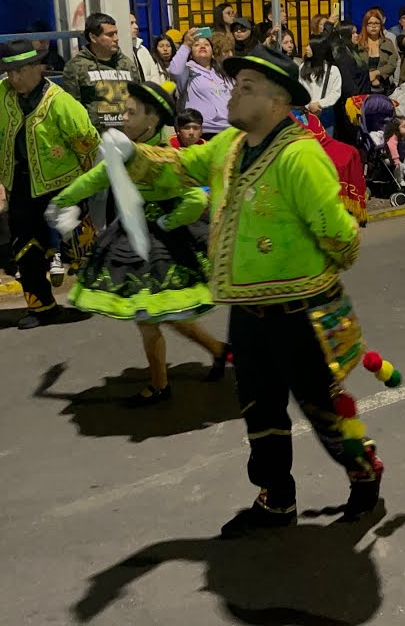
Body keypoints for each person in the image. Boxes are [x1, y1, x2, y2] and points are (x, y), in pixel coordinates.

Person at [118, 44, 382, 536]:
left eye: (245, 88)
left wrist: (307, 270)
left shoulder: (300, 156)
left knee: (325, 411)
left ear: (278, 101)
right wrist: (128, 150)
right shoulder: (231, 146)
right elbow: (180, 167)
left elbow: (342, 238)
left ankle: (364, 475)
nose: (231, 95)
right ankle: (276, 499)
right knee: (260, 412)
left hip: (300, 316)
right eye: (234, 84)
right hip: (247, 314)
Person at [50, 81, 229, 403]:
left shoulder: (164, 157)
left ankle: (160, 384)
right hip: (134, 238)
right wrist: (62, 201)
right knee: (165, 315)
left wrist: (168, 221)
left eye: (131, 112)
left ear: (152, 119)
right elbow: (96, 177)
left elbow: (193, 200)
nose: (124, 118)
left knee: (151, 318)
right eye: (124, 111)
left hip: (163, 245)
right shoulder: (126, 151)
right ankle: (218, 351)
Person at [0, 40, 100, 329]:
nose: (14, 78)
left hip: (64, 186)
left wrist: (87, 186)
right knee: (26, 248)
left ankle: (98, 295)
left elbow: (88, 144)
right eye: (9, 72)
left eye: (20, 71)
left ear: (37, 68)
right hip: (20, 185)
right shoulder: (3, 93)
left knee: (81, 245)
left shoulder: (62, 102)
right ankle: (41, 307)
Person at [63, 13, 141, 132]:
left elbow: (138, 100)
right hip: (95, 139)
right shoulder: (76, 67)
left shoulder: (127, 64)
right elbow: (72, 110)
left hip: (127, 135)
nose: (116, 38)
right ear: (93, 37)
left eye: (116, 33)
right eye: (110, 35)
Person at [168, 29, 234, 141]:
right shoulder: (188, 70)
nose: (202, 46)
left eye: (207, 44)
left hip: (228, 131)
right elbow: (174, 70)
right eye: (196, 45)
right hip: (203, 133)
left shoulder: (222, 73)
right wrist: (186, 45)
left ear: (213, 52)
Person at [330, 23, 372, 145]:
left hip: (360, 101)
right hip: (352, 106)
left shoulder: (351, 51)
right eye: (352, 33)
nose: (356, 35)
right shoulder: (343, 55)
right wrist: (359, 100)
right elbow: (348, 85)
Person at [299, 34, 342, 132]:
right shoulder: (303, 68)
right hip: (306, 114)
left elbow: (335, 93)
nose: (306, 48)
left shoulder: (332, 70)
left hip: (326, 114)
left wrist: (319, 104)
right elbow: (300, 89)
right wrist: (309, 105)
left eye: (310, 46)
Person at [356, 9, 397, 95]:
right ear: (365, 25)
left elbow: (392, 65)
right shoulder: (358, 42)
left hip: (383, 87)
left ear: (381, 25)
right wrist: (369, 77)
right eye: (370, 23)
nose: (373, 26)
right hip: (362, 87)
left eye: (376, 23)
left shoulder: (388, 42)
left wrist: (376, 74)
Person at [128, 14, 165, 85]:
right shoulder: (119, 50)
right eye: (131, 23)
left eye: (135, 23)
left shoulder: (143, 50)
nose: (136, 27)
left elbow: (154, 76)